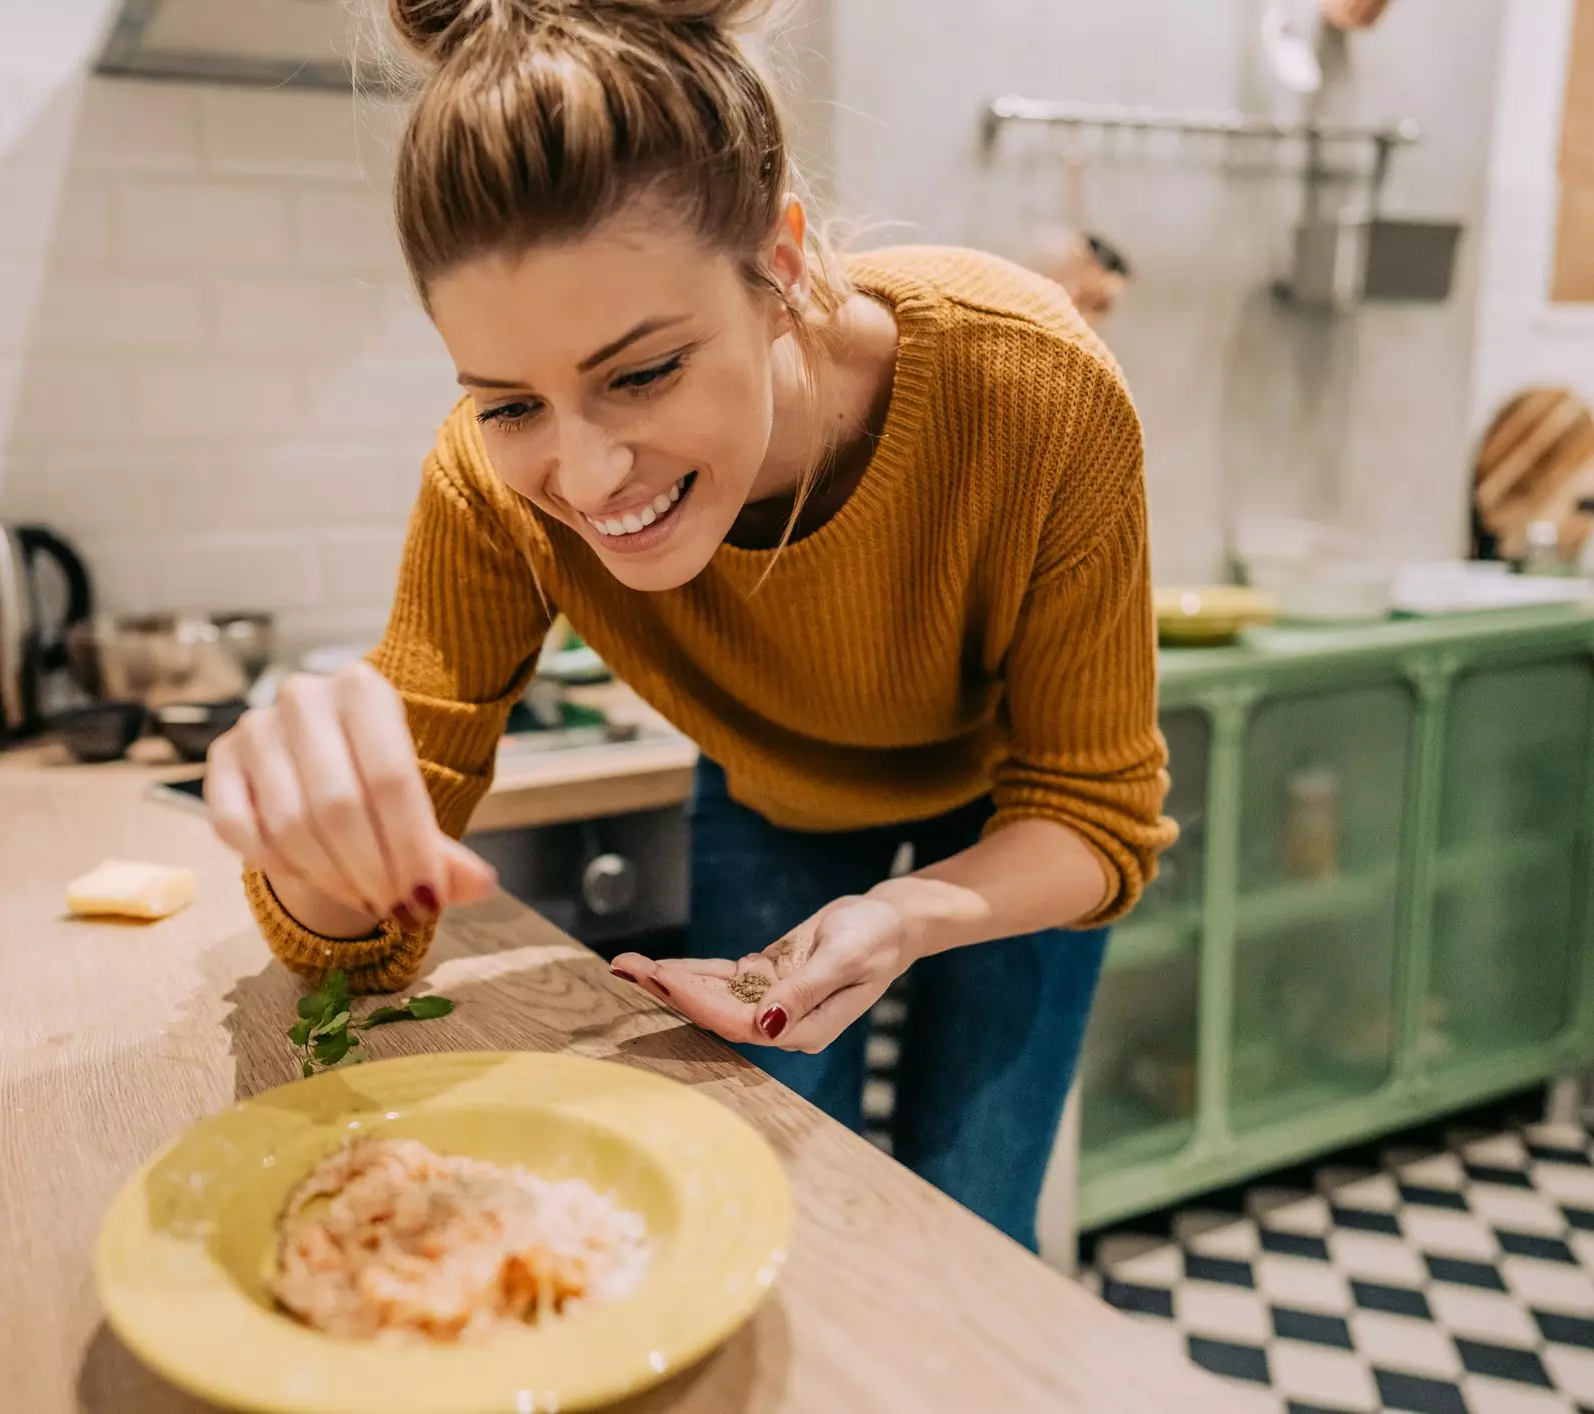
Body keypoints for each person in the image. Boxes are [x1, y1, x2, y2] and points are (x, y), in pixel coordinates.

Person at [204, 0, 1174, 1251]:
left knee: (971, 1213)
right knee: (740, 1196)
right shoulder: (487, 489)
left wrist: (909, 912)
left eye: (644, 371)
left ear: (778, 262)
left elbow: (1095, 810)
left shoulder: (1033, 387)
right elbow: (363, 932)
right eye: (509, 403)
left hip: (1010, 824)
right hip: (771, 794)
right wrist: (314, 855)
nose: (590, 475)